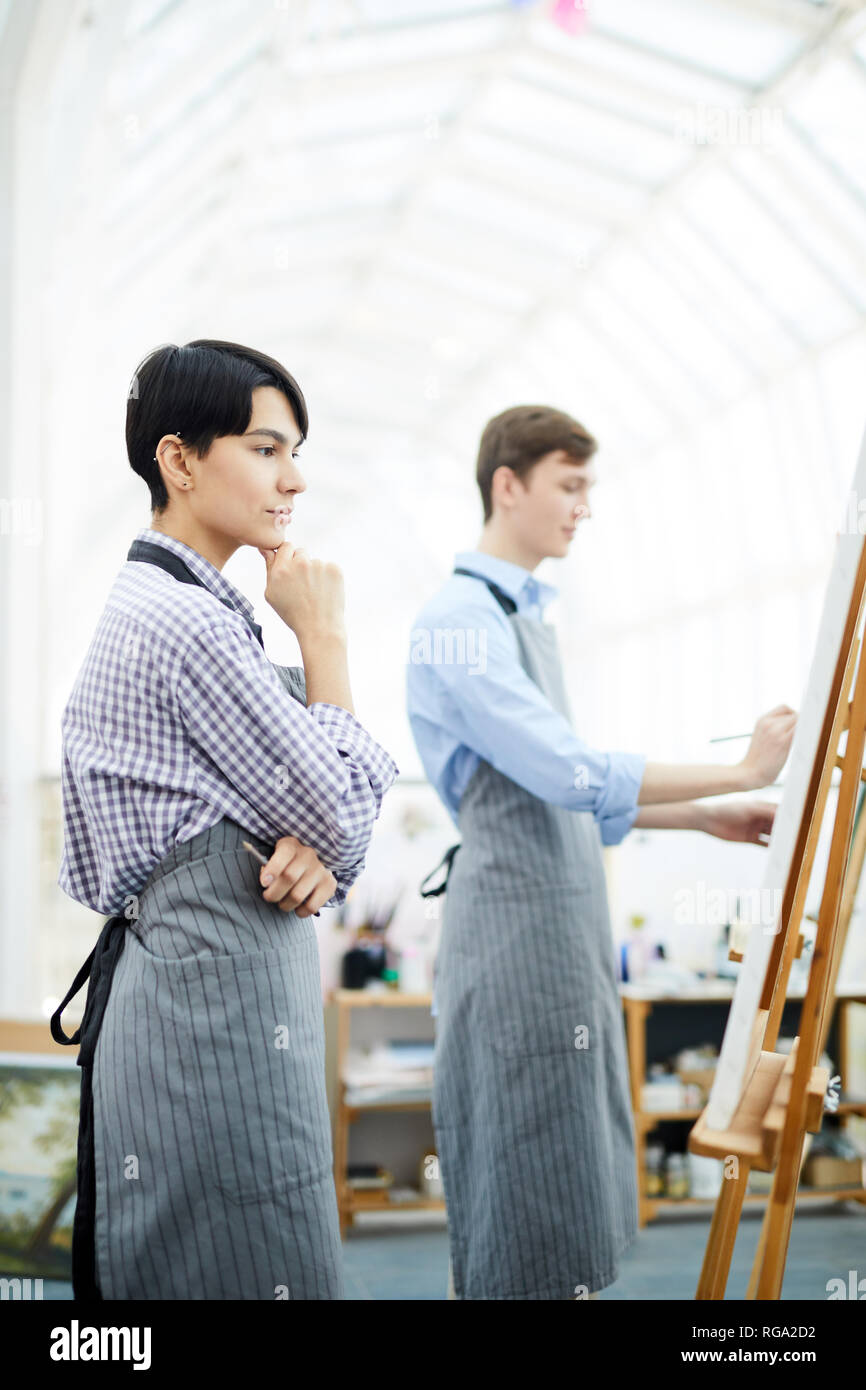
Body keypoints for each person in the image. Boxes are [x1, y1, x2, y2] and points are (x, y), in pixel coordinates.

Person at [406, 404, 796, 1301]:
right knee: (522, 1171)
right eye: (569, 486)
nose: (585, 507)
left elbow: (561, 800)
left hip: (556, 932)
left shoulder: (520, 614)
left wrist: (704, 815)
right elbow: (565, 770)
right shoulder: (461, 621)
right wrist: (738, 767)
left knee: (567, 1163)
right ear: (509, 486)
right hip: (514, 937)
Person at [53, 338, 398, 1300]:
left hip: (214, 1016)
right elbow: (342, 812)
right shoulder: (188, 623)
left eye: (295, 451)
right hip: (212, 1034)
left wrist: (317, 849)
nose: (294, 478)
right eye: (265, 448)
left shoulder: (179, 603)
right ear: (180, 459)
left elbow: (322, 825)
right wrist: (324, 641)